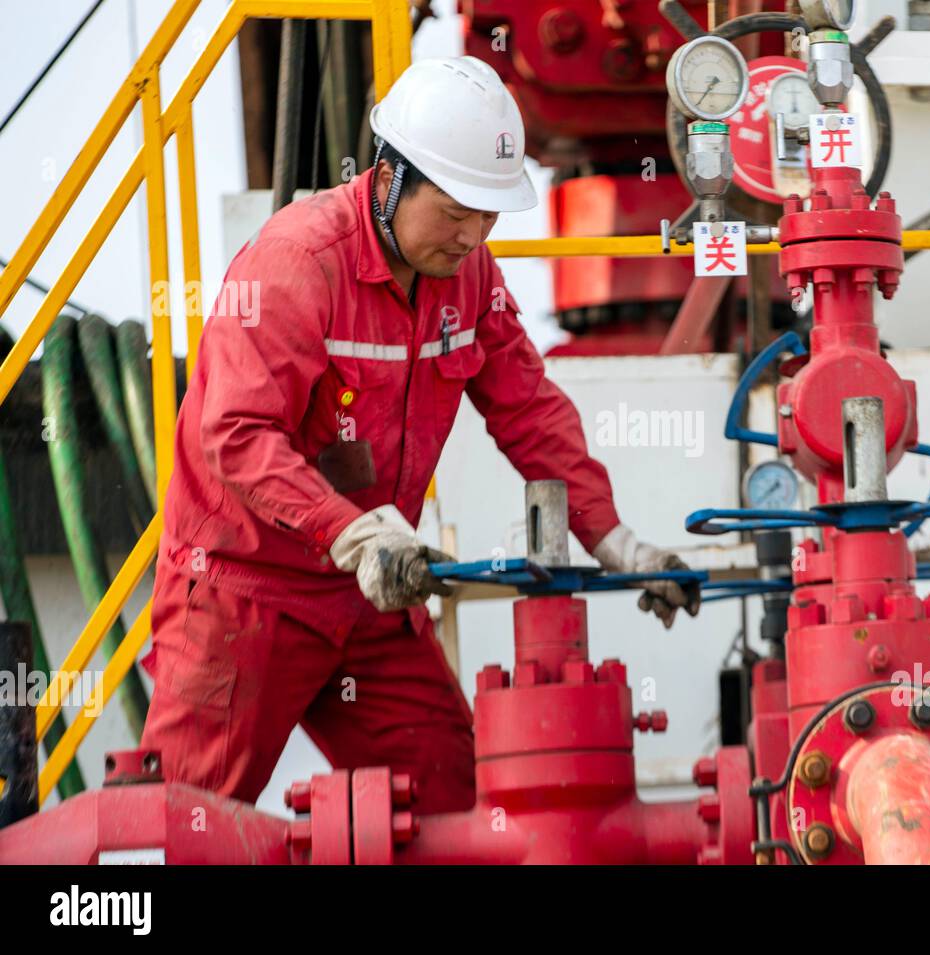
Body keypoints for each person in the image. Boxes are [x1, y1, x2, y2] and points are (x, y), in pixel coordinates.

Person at [138, 56, 700, 812]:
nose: (473, 234)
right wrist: (355, 535)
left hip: (369, 599)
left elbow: (528, 408)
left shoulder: (467, 277)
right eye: (458, 208)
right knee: (179, 827)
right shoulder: (295, 263)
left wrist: (614, 539)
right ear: (391, 176)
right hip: (246, 598)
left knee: (457, 814)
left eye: (490, 213)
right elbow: (236, 434)